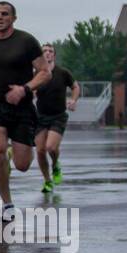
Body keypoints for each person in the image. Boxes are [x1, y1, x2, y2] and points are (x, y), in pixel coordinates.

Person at [0, 2, 50, 220]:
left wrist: (25, 89)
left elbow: (45, 72)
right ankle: (7, 204)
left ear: (14, 18)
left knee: (22, 165)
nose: (0, 17)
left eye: (5, 14)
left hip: (22, 107)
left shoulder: (26, 41)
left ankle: (12, 153)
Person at [33, 43, 78, 194]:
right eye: (44, 51)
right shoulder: (36, 74)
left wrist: (73, 100)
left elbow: (75, 87)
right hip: (40, 117)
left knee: (50, 147)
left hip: (58, 116)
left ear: (54, 55)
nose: (47, 53)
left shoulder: (63, 73)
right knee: (40, 151)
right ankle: (47, 181)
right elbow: (30, 89)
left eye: (50, 51)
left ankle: (55, 164)